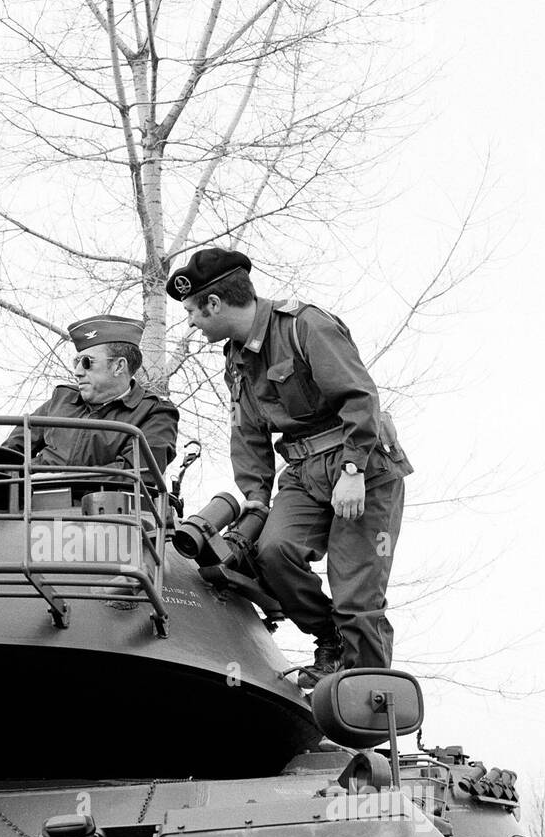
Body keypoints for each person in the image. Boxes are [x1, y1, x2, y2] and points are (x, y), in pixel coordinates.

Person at [166, 248, 411, 680]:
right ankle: (330, 638)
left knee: (356, 597)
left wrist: (353, 470)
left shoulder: (303, 325)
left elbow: (360, 398)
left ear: (214, 304)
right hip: (302, 471)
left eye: (192, 311)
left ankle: (364, 699)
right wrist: (257, 500)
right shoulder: (236, 357)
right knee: (273, 553)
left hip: (362, 466)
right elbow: (248, 432)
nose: (190, 322)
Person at [2, 315, 178, 478]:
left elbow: (135, 472)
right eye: (76, 362)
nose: (78, 372)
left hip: (101, 507)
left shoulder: (155, 413)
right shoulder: (62, 399)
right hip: (32, 502)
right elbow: (11, 451)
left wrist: (60, 480)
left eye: (87, 362)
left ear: (119, 366)